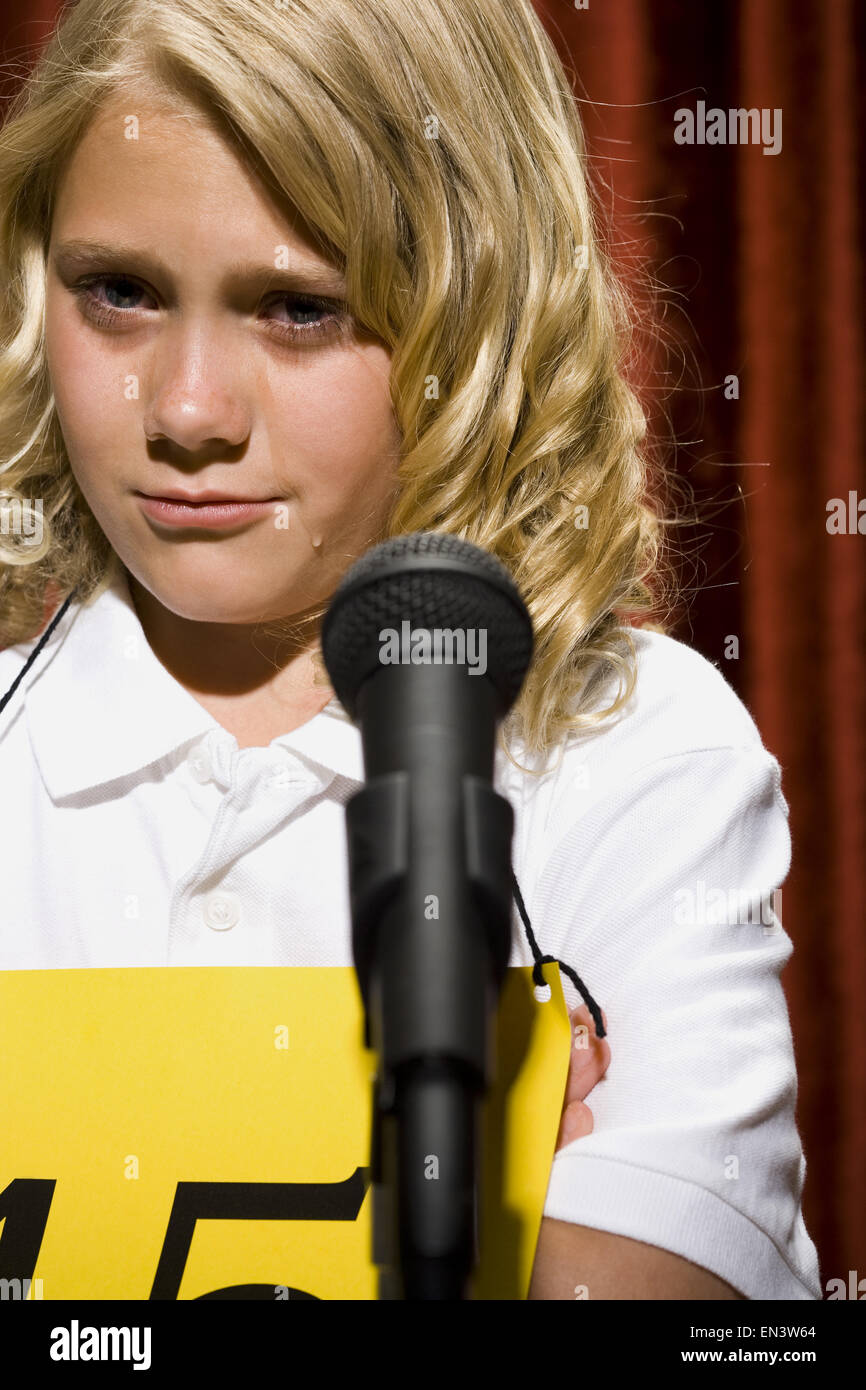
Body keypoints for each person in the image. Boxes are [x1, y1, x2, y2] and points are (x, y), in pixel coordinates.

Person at [0, 0, 821, 1300]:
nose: (189, 409)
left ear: (480, 310)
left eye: (296, 307)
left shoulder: (634, 746)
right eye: (119, 292)